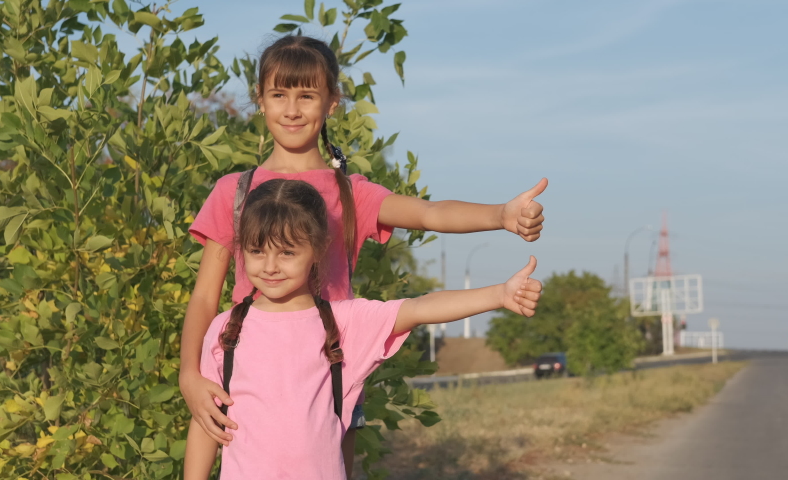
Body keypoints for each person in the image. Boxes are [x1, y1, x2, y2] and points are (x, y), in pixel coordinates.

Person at [180, 35, 548, 475]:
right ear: (260, 99)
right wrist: (189, 376)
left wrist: (501, 215)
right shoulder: (233, 193)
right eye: (279, 94)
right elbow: (204, 299)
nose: (292, 109)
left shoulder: (350, 194)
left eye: (307, 95)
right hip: (251, 369)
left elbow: (429, 214)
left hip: (331, 370)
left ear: (332, 102)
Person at [183, 179, 542, 479]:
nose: (271, 265)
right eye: (257, 251)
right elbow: (205, 422)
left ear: (318, 249)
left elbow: (419, 309)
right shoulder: (225, 330)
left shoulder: (344, 323)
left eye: (288, 252)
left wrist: (499, 294)